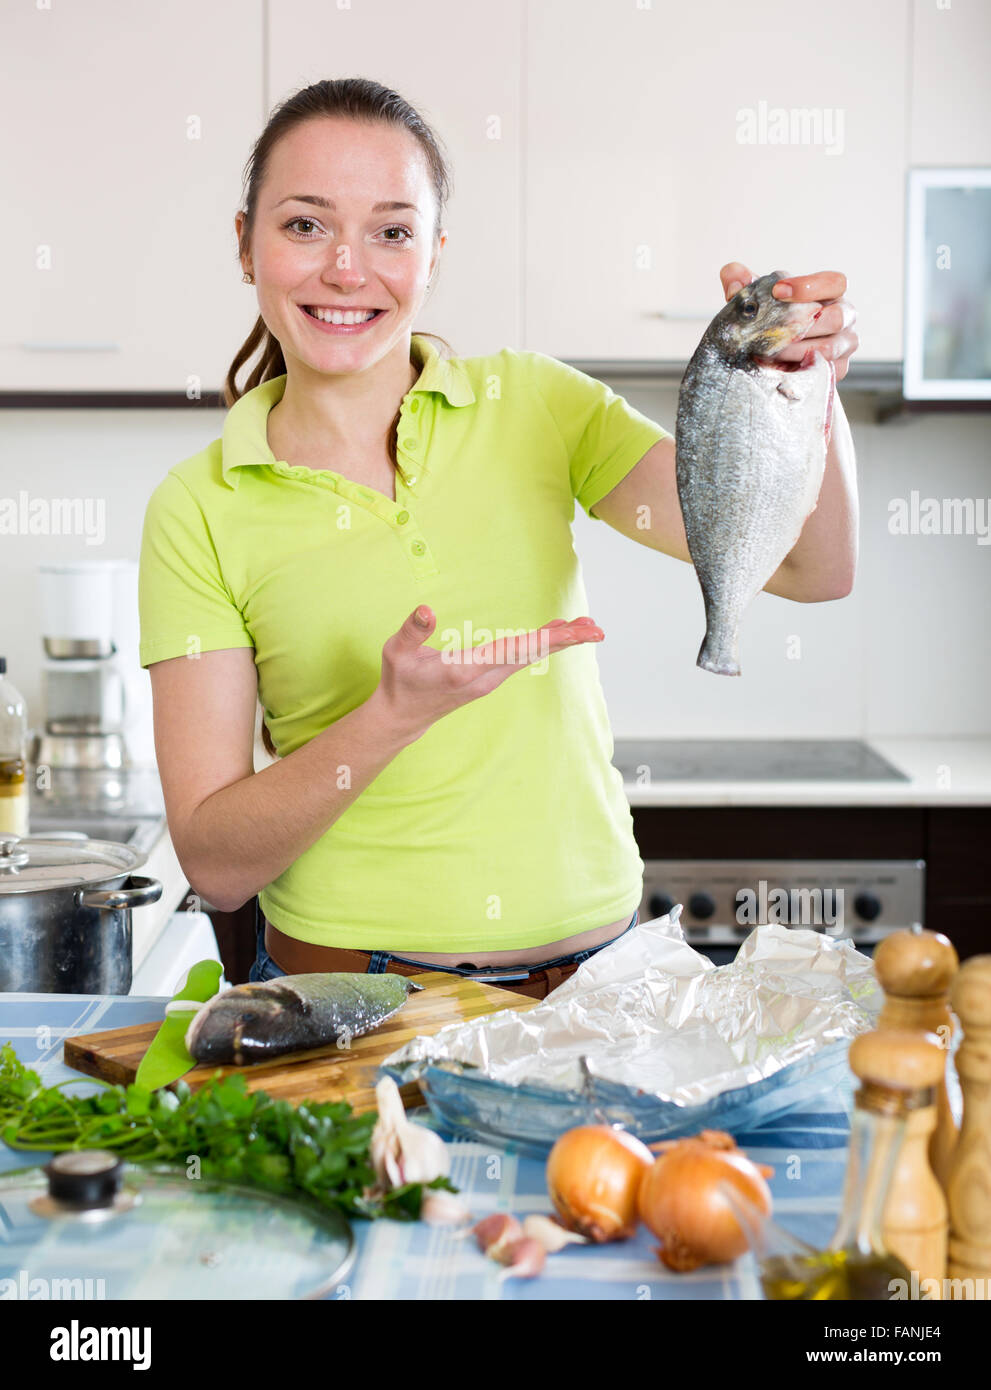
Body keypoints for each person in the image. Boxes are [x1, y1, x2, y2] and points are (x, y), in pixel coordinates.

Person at [138, 78, 860, 1000]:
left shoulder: (535, 406)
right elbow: (215, 865)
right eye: (305, 225)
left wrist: (807, 386)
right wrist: (388, 716)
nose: (348, 269)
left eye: (392, 231)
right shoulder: (198, 507)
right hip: (351, 1004)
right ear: (245, 244)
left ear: (432, 254)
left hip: (599, 992)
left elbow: (813, 567)